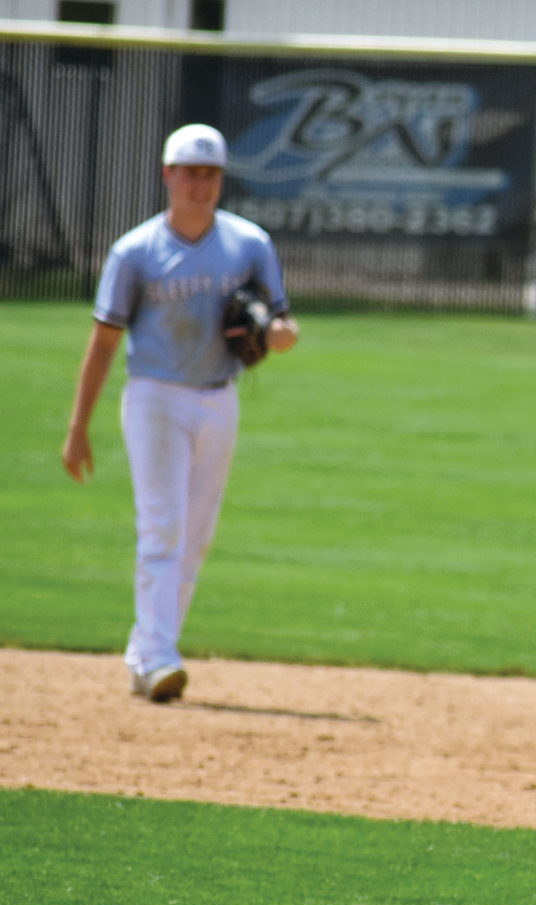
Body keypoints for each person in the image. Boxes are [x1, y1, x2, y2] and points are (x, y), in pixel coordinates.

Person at [61, 123, 298, 702]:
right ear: (168, 175)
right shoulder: (135, 252)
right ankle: (159, 656)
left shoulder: (249, 244)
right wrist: (78, 427)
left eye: (211, 173)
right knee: (162, 526)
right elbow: (103, 341)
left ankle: (148, 652)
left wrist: (275, 331)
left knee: (195, 538)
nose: (201, 183)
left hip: (220, 398)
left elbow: (284, 326)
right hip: (155, 398)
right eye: (190, 172)